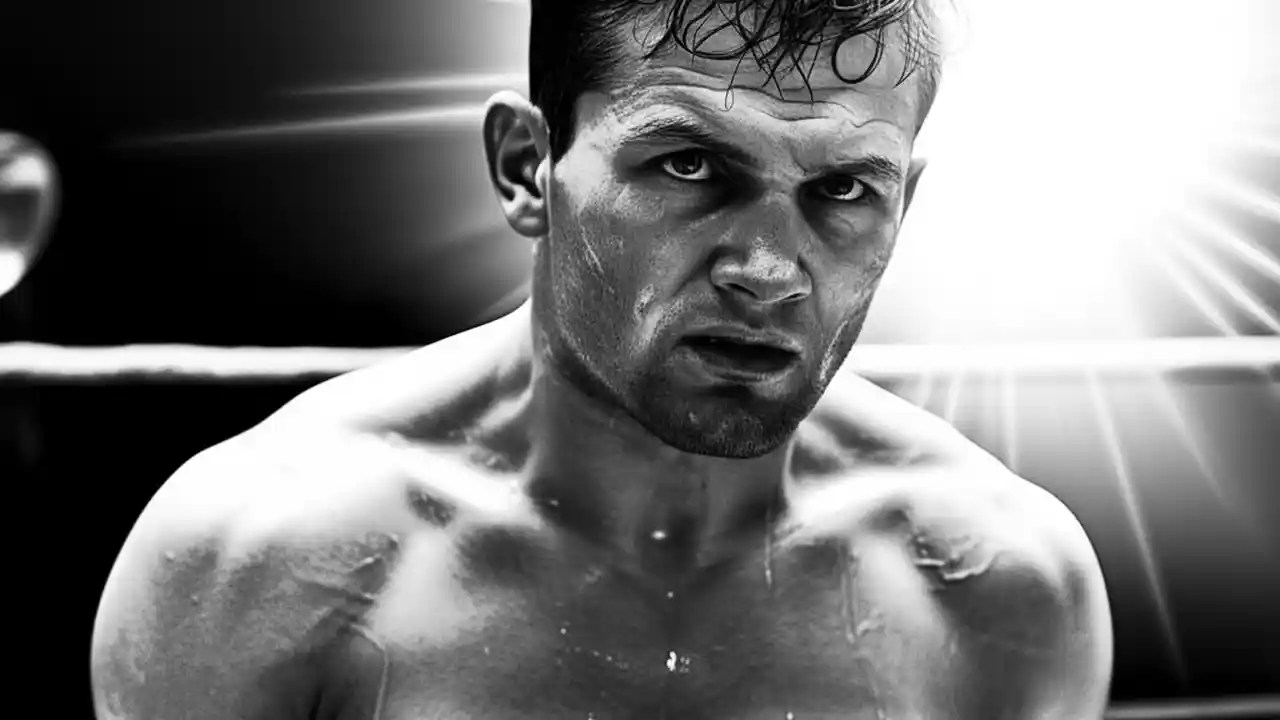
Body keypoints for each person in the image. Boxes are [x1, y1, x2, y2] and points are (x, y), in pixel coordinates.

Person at [90, 1, 1113, 718]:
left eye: (843, 190)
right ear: (527, 166)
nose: (766, 268)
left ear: (903, 199)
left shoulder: (1000, 584)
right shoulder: (258, 561)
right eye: (689, 164)